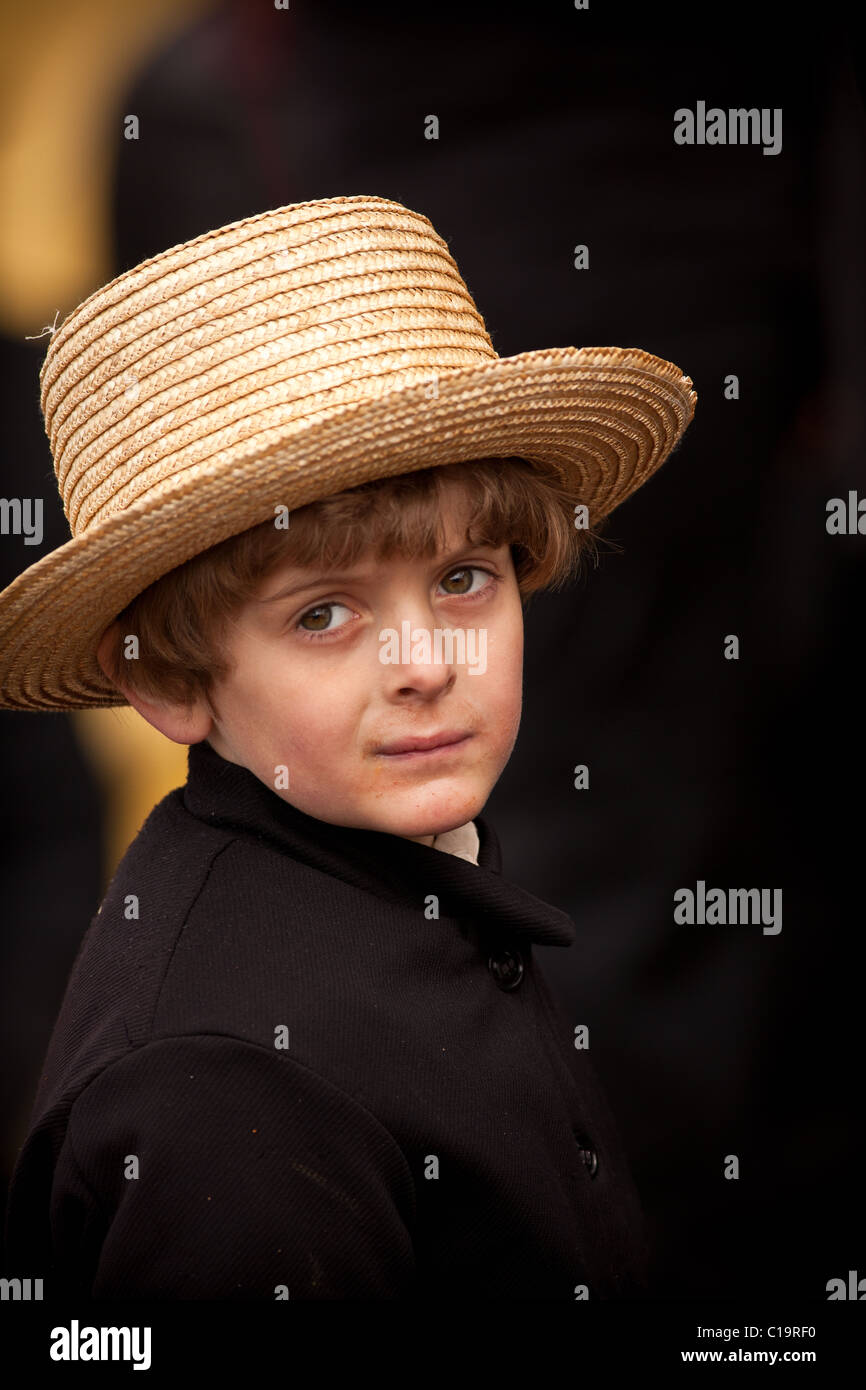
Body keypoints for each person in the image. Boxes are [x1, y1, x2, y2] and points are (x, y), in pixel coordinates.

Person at [0, 194, 696, 1299]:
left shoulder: (402, 871)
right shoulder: (226, 1103)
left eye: (464, 579)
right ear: (172, 682)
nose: (424, 662)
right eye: (323, 615)